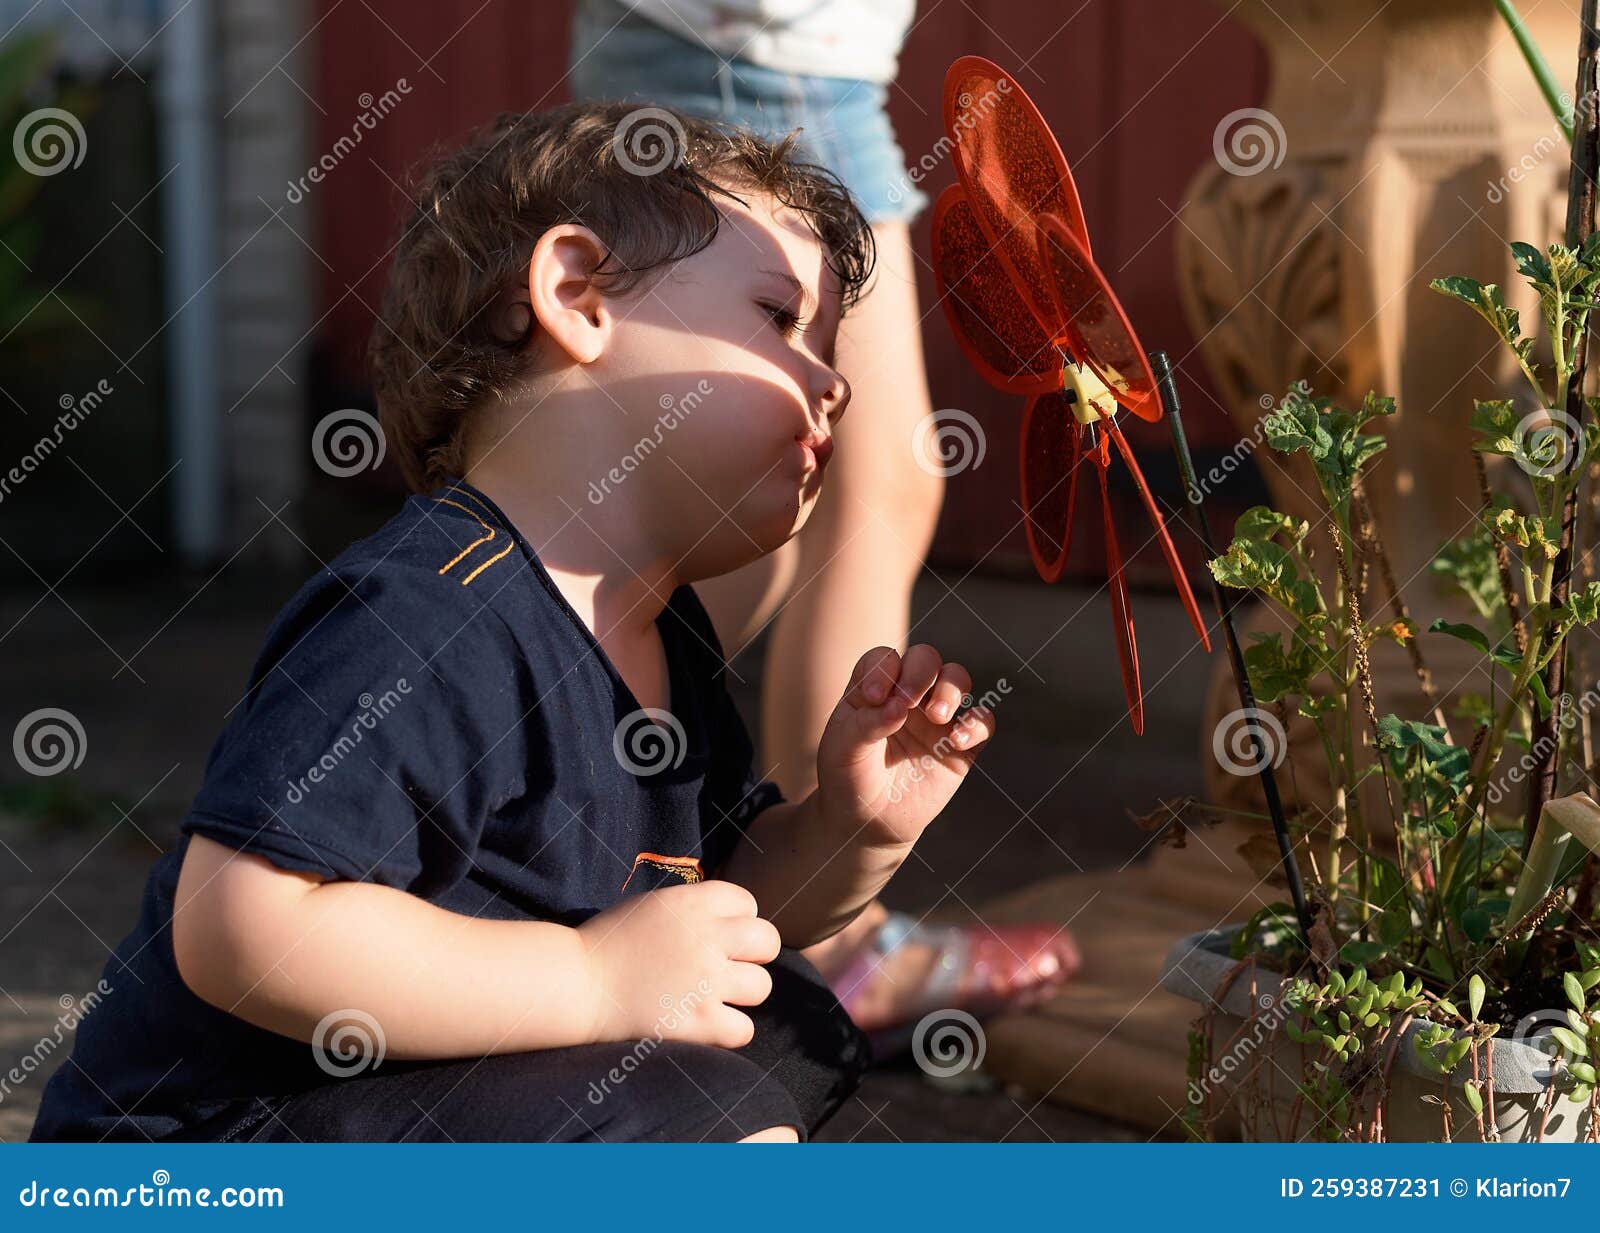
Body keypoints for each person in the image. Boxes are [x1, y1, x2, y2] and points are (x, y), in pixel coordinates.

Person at [30, 102, 999, 1144]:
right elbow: (240, 928)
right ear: (576, 294)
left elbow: (716, 913)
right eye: (777, 318)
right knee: (691, 1103)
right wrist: (590, 979)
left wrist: (848, 830)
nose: (835, 385)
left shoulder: (664, 637)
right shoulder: (431, 612)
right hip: (220, 1136)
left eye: (829, 350)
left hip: (404, 1104)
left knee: (788, 1022)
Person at [570, 0, 1079, 1039]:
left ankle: (575, 849)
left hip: (743, 59)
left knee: (753, 513)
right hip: (753, 63)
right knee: (856, 490)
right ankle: (818, 944)